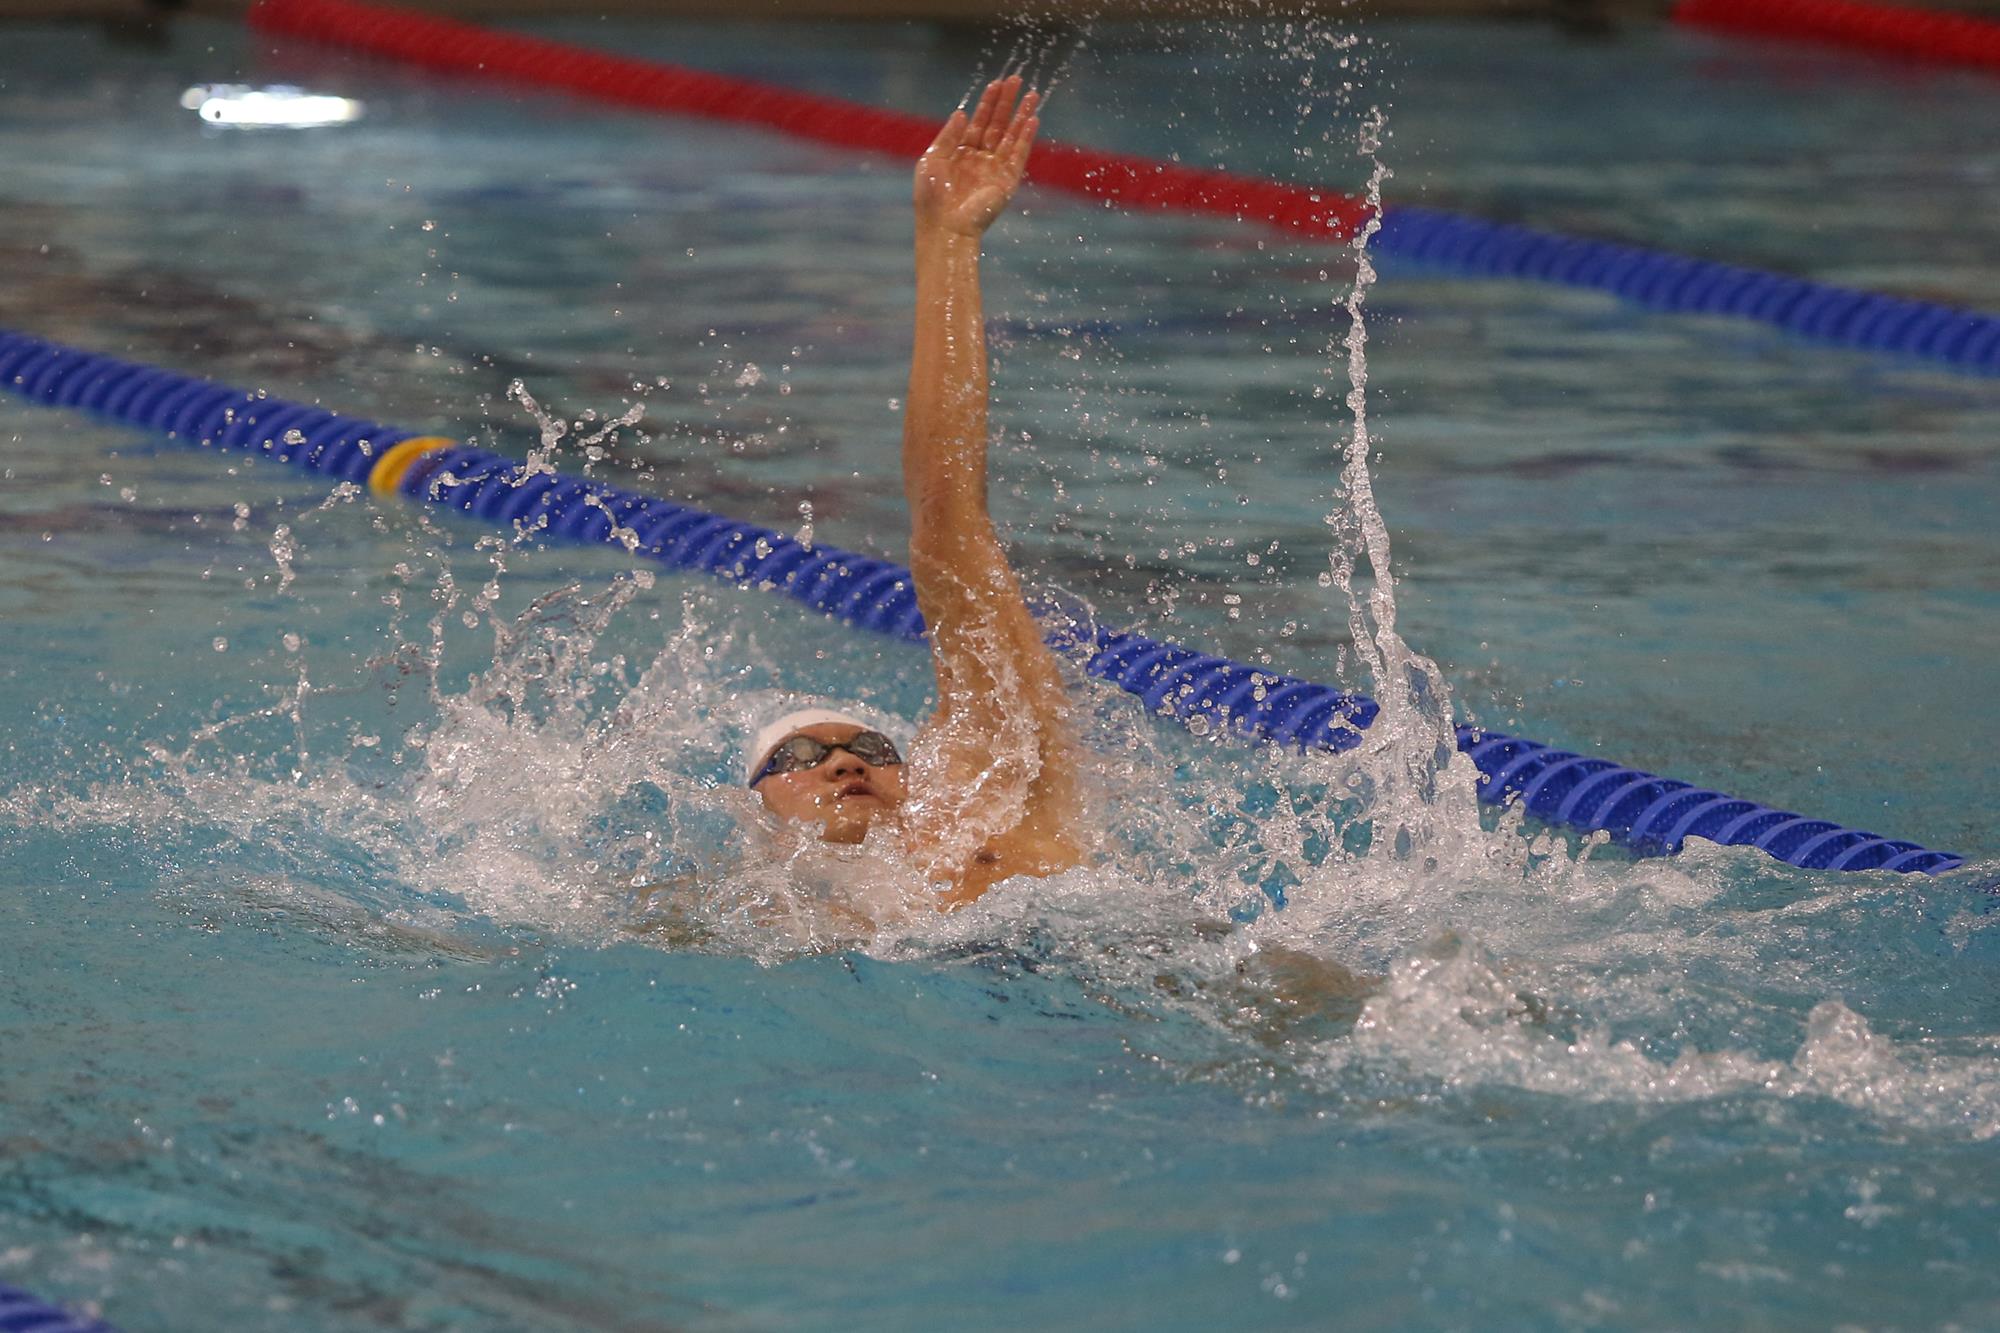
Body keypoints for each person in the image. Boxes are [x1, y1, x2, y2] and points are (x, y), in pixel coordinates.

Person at [742, 76, 1083, 911]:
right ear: (752, 815)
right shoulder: (774, 923)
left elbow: (947, 523)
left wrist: (948, 239)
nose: (846, 761)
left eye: (869, 744)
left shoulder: (996, 808)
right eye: (795, 758)